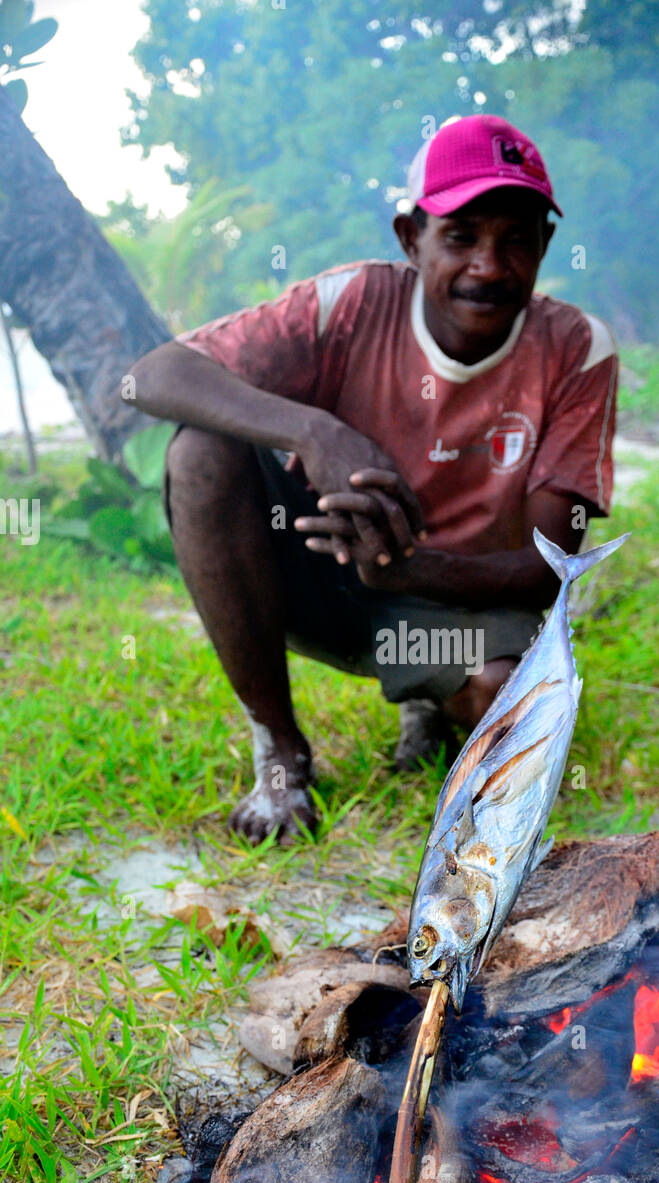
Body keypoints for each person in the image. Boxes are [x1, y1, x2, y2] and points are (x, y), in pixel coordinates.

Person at [125, 114, 618, 845]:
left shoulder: (575, 349)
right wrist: (316, 429)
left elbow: (548, 568)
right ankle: (280, 750)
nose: (488, 265)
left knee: (501, 704)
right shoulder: (347, 304)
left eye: (515, 239)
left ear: (544, 245)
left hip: (449, 608)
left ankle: (430, 694)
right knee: (201, 450)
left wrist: (410, 568)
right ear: (409, 239)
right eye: (460, 236)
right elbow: (150, 377)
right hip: (319, 580)